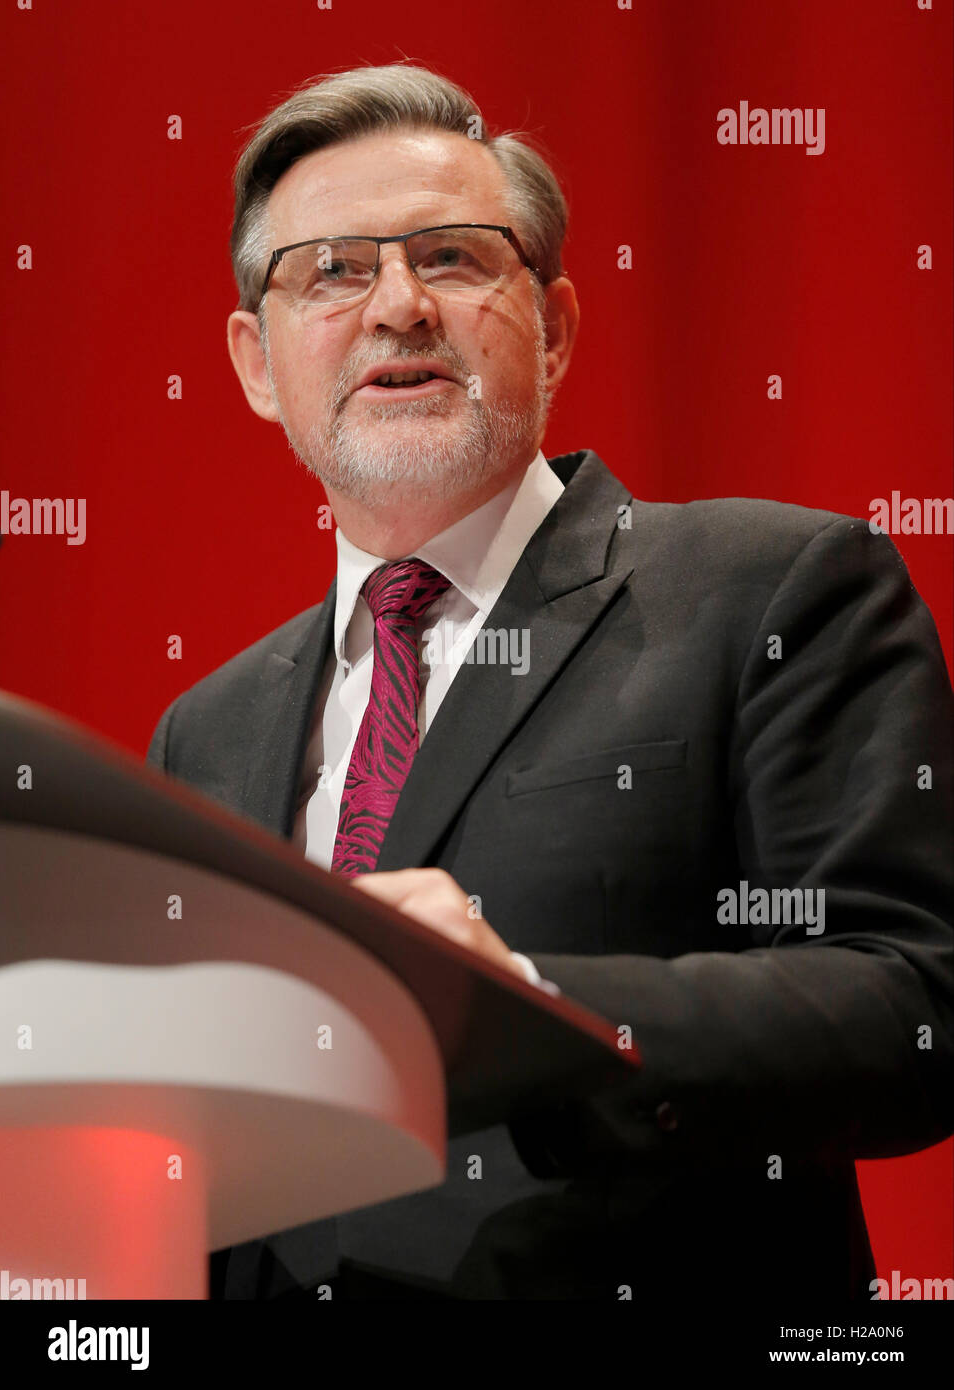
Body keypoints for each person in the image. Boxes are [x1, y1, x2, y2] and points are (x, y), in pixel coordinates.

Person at [147, 63, 954, 1301]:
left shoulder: (773, 590)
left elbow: (912, 1006)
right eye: (334, 271)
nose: (397, 307)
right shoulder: (204, 730)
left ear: (558, 324)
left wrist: (525, 1007)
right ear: (257, 363)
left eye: (455, 259)